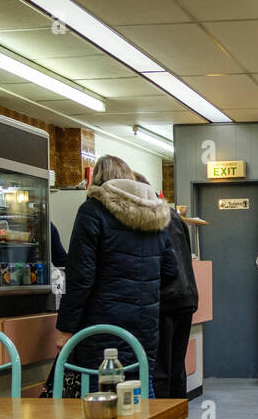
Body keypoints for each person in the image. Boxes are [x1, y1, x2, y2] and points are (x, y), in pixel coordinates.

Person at [56, 155, 175, 402]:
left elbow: (80, 277)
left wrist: (65, 328)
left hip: (101, 325)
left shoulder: (93, 211)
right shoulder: (157, 215)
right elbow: (170, 271)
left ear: (97, 182)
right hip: (145, 324)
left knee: (100, 392)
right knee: (140, 385)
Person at [152, 203, 199, 419]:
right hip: (186, 297)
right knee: (176, 366)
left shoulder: (148, 216)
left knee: (160, 367)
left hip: (164, 300)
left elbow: (163, 265)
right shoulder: (174, 215)